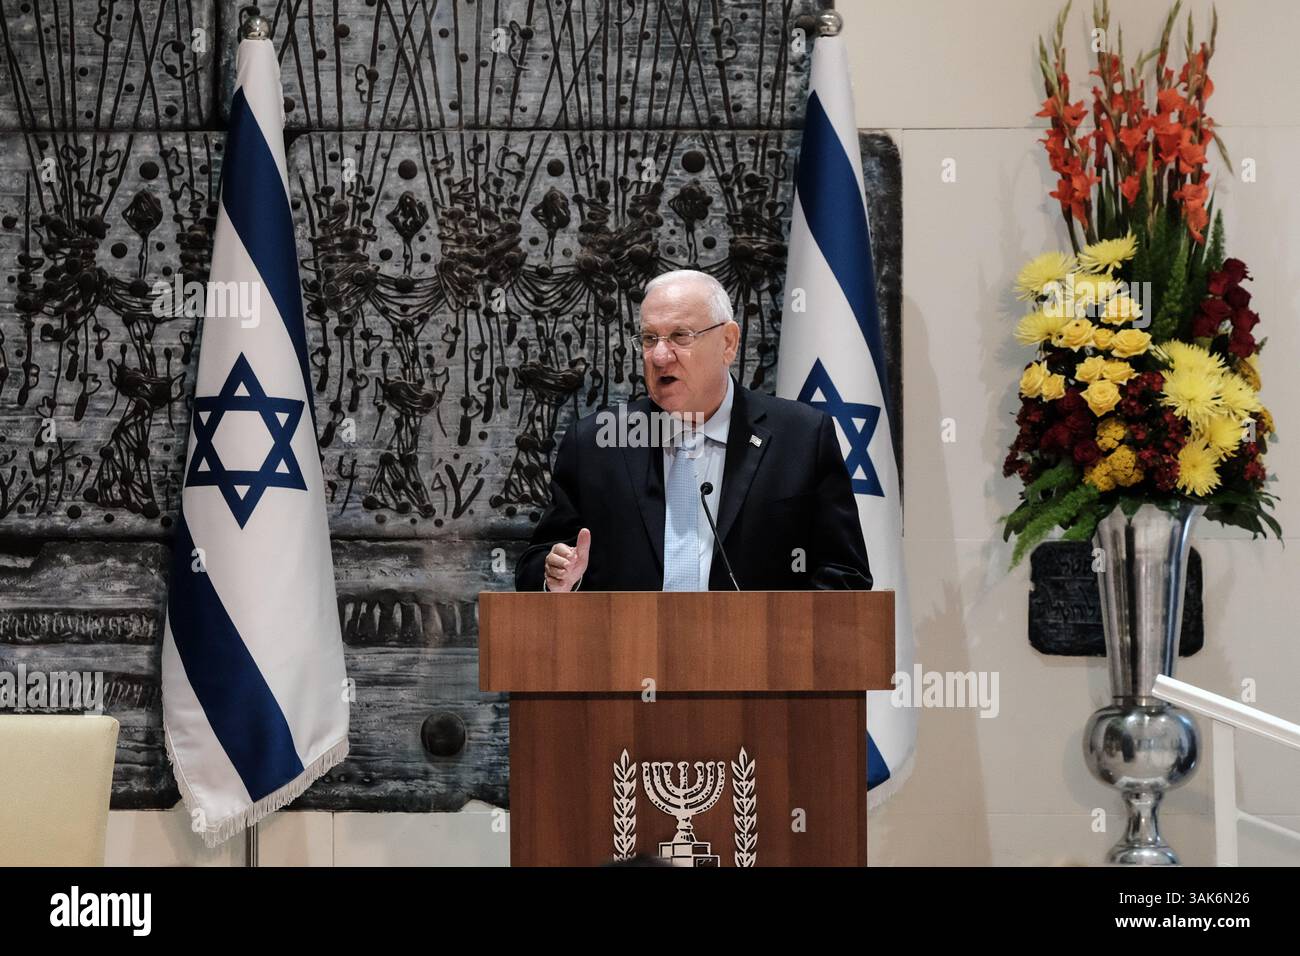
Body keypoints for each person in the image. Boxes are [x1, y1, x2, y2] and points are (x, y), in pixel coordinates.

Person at [515, 269, 871, 592]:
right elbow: (536, 565)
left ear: (728, 343)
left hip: (758, 658)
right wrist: (558, 577)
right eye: (650, 339)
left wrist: (779, 643)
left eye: (680, 336)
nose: (659, 357)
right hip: (629, 657)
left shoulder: (801, 438)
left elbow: (845, 574)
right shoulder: (596, 444)